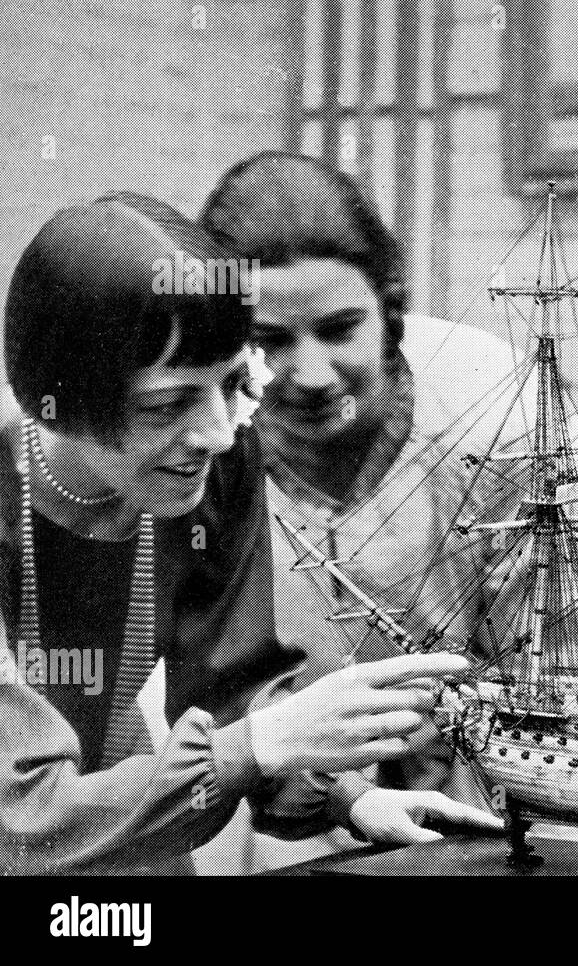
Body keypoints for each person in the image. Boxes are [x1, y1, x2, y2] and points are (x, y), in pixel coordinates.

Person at [0, 193, 500, 875]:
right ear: (58, 401)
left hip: (130, 848)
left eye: (233, 381)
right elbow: (24, 821)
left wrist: (352, 798)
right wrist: (262, 743)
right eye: (168, 403)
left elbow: (234, 680)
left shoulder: (220, 459)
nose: (214, 430)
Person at [198, 152, 543, 867]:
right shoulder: (200, 443)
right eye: (269, 341)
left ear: (388, 307)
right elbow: (219, 685)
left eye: (339, 327)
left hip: (497, 808)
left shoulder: (497, 404)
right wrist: (342, 792)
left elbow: (577, 661)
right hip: (287, 816)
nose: (313, 373)